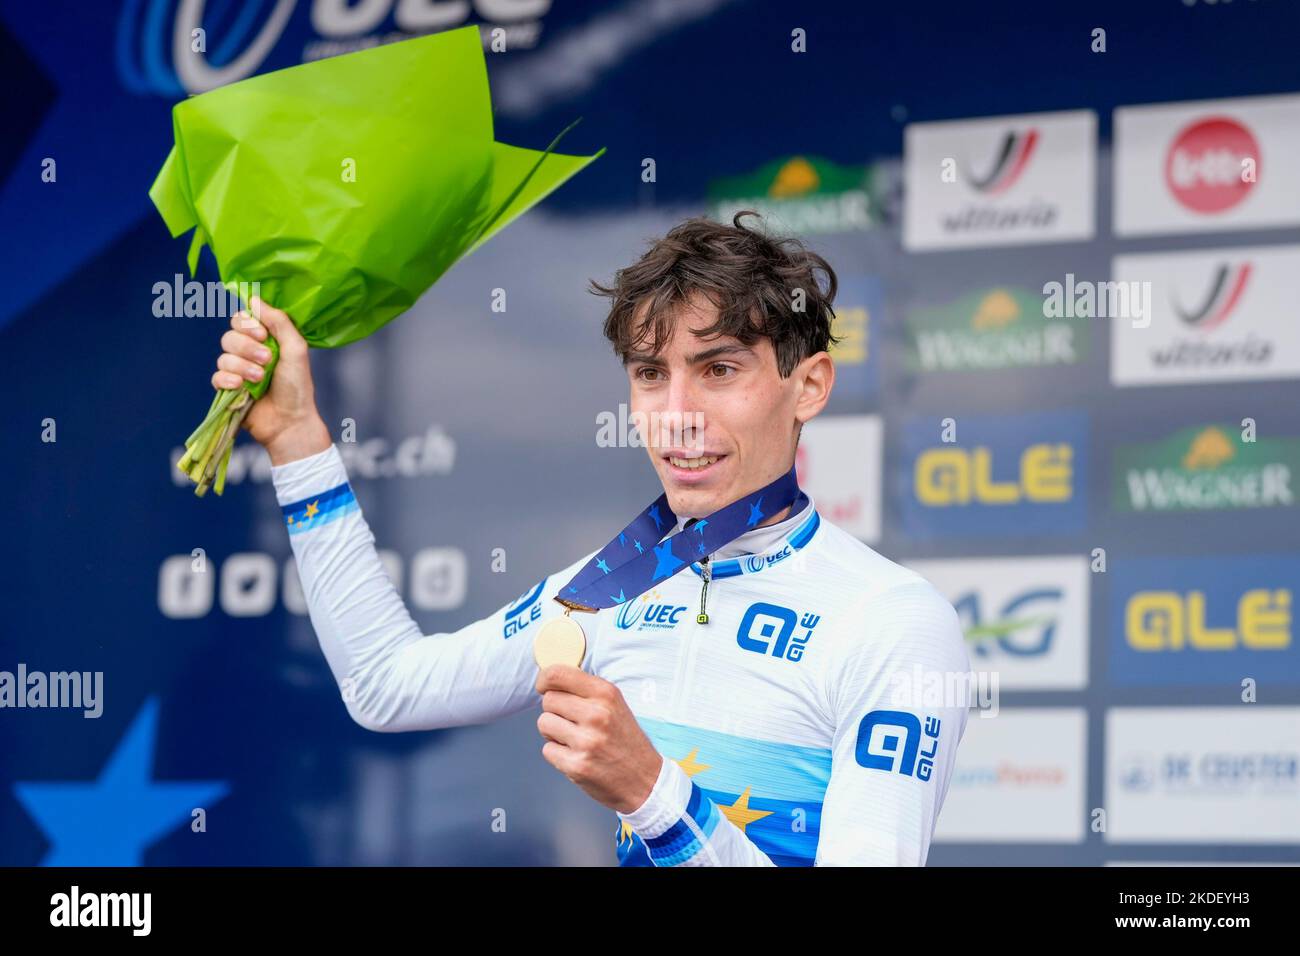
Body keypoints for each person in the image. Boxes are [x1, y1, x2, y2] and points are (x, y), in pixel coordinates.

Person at [212, 212, 972, 866]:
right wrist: (296, 440)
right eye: (650, 374)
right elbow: (388, 686)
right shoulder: (617, 583)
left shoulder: (892, 622)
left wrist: (653, 794)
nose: (676, 414)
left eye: (719, 369)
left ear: (809, 385)